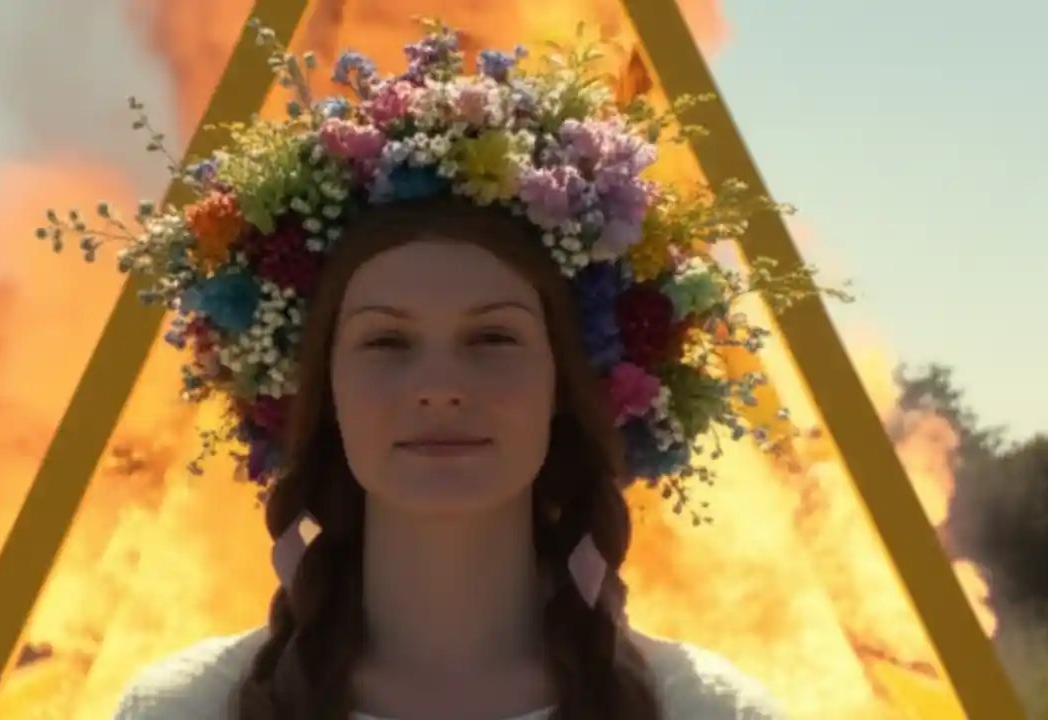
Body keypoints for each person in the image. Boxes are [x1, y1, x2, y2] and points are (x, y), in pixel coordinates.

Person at [43, 18, 815, 720]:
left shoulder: (713, 714)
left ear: (565, 384)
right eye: (386, 343)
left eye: (493, 340)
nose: (440, 385)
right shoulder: (184, 712)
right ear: (321, 391)